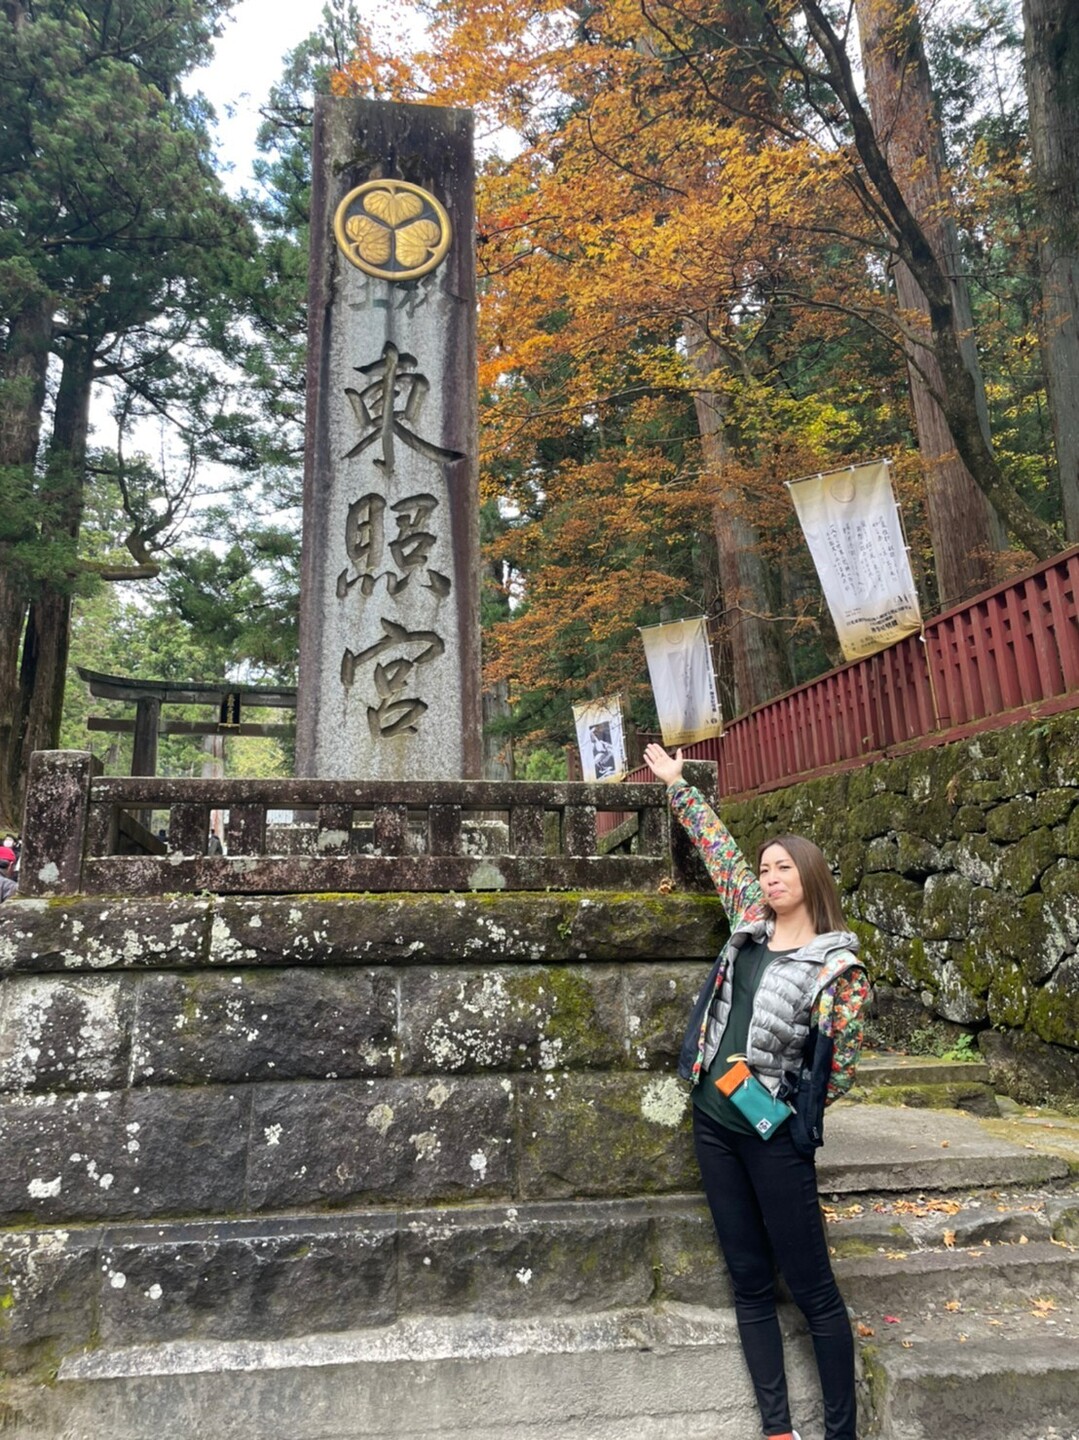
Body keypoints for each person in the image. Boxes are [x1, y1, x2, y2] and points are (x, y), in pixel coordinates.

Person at [643, 743, 869, 1440]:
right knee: (747, 1280)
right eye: (765, 868)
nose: (769, 877)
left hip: (771, 1138)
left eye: (782, 867)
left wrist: (789, 1122)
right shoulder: (748, 922)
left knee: (812, 1292)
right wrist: (679, 786)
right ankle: (776, 1428)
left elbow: (838, 1068)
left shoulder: (838, 970)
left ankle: (840, 1433)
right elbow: (717, 851)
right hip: (711, 1122)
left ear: (809, 876)